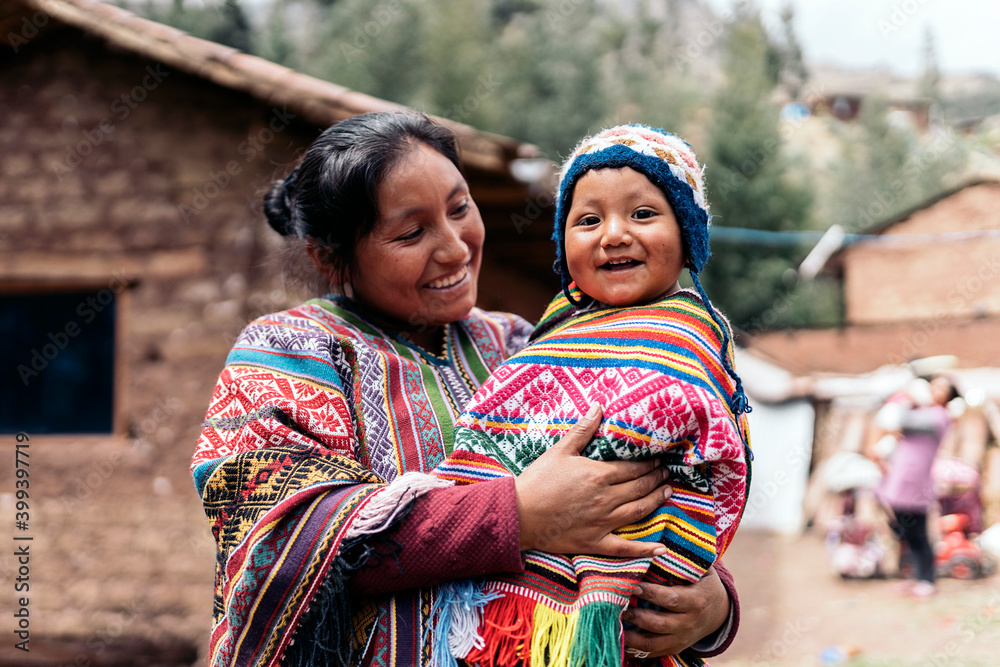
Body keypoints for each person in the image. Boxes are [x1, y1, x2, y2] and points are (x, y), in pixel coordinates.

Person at [191, 112, 740, 667]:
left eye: (460, 209)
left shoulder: (524, 344)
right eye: (411, 233)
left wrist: (712, 607)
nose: (454, 248)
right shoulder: (288, 353)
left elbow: (667, 479)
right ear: (330, 258)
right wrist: (517, 513)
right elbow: (277, 544)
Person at [426, 125, 752, 667]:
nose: (614, 235)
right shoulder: (545, 335)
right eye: (588, 220)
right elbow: (495, 428)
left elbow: (722, 457)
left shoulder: (690, 335)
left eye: (643, 214)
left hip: (632, 595)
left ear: (688, 235)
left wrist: (714, 603)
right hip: (506, 616)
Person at [873, 374, 960, 598]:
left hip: (916, 483)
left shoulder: (939, 417)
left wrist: (904, 398)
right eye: (934, 385)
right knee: (906, 531)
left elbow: (900, 420)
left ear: (949, 397)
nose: (934, 389)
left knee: (918, 532)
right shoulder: (921, 411)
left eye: (941, 388)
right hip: (901, 479)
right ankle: (914, 577)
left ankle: (928, 579)